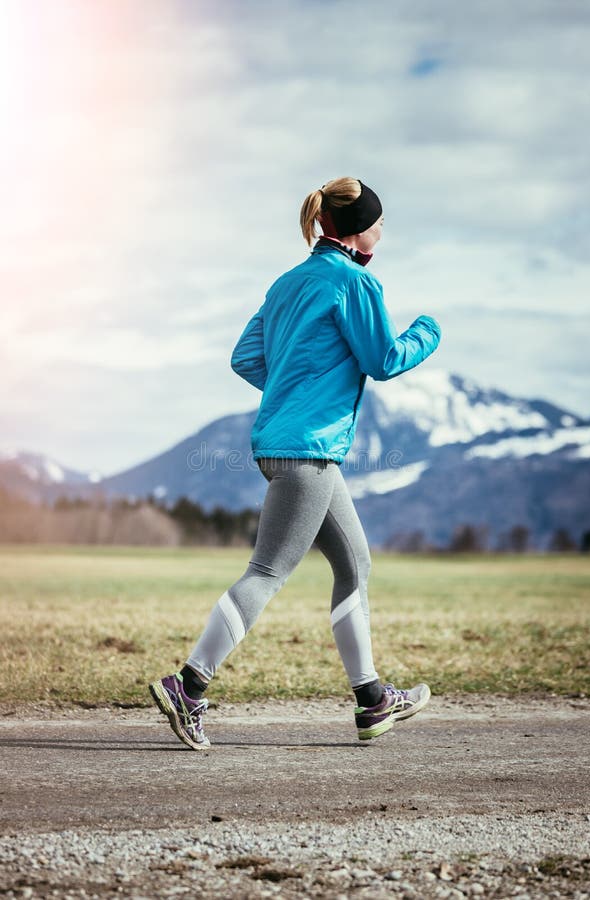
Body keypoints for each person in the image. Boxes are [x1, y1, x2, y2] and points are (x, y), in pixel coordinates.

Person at [149, 177, 441, 750]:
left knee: (354, 564)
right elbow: (383, 359)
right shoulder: (355, 282)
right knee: (268, 571)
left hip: (289, 447)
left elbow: (245, 357)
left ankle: (372, 699)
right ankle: (188, 685)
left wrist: (293, 389)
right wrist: (428, 332)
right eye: (380, 222)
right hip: (308, 450)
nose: (384, 231)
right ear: (358, 230)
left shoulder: (287, 283)